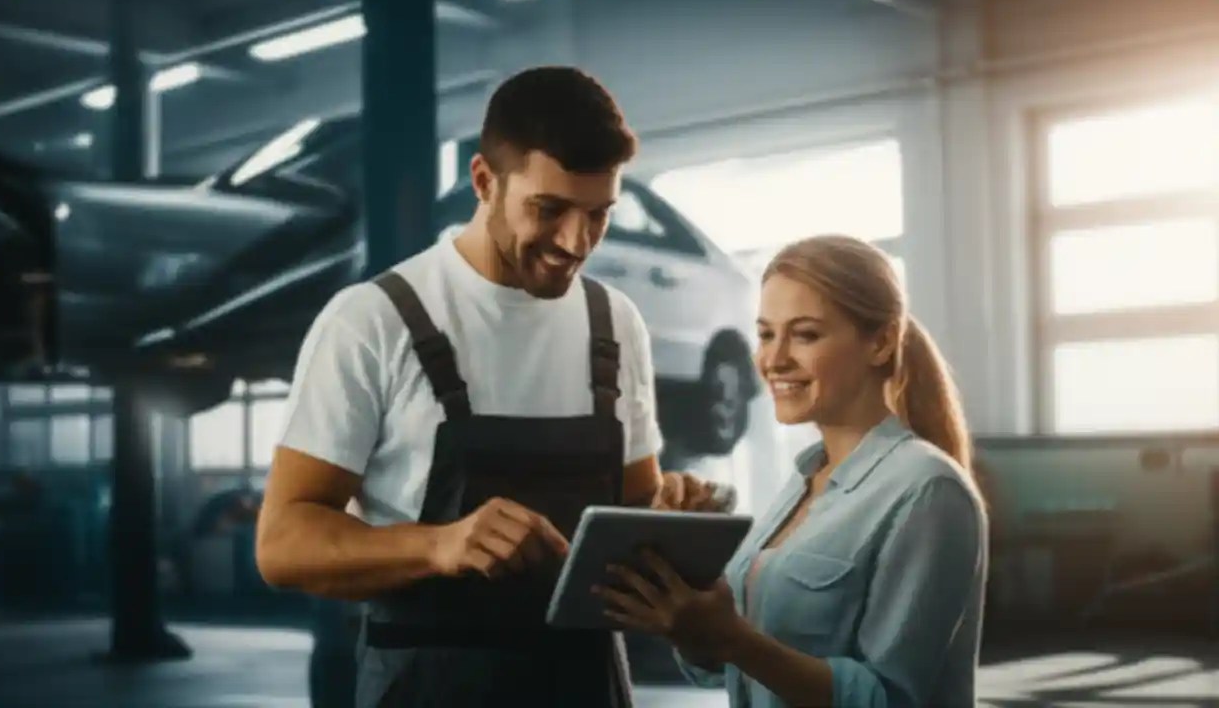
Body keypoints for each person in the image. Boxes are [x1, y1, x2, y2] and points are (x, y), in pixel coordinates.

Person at [255, 65, 721, 708]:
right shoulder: (373, 321)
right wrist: (438, 544)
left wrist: (672, 519)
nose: (576, 242)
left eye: (598, 214)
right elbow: (282, 544)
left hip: (587, 686)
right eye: (549, 209)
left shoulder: (615, 323)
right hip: (425, 688)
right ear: (484, 182)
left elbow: (635, 505)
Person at [599, 235, 989, 707]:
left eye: (805, 335)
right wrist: (689, 594)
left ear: (882, 342)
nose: (774, 359)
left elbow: (889, 700)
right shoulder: (803, 482)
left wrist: (734, 640)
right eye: (766, 335)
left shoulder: (927, 489)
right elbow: (724, 665)